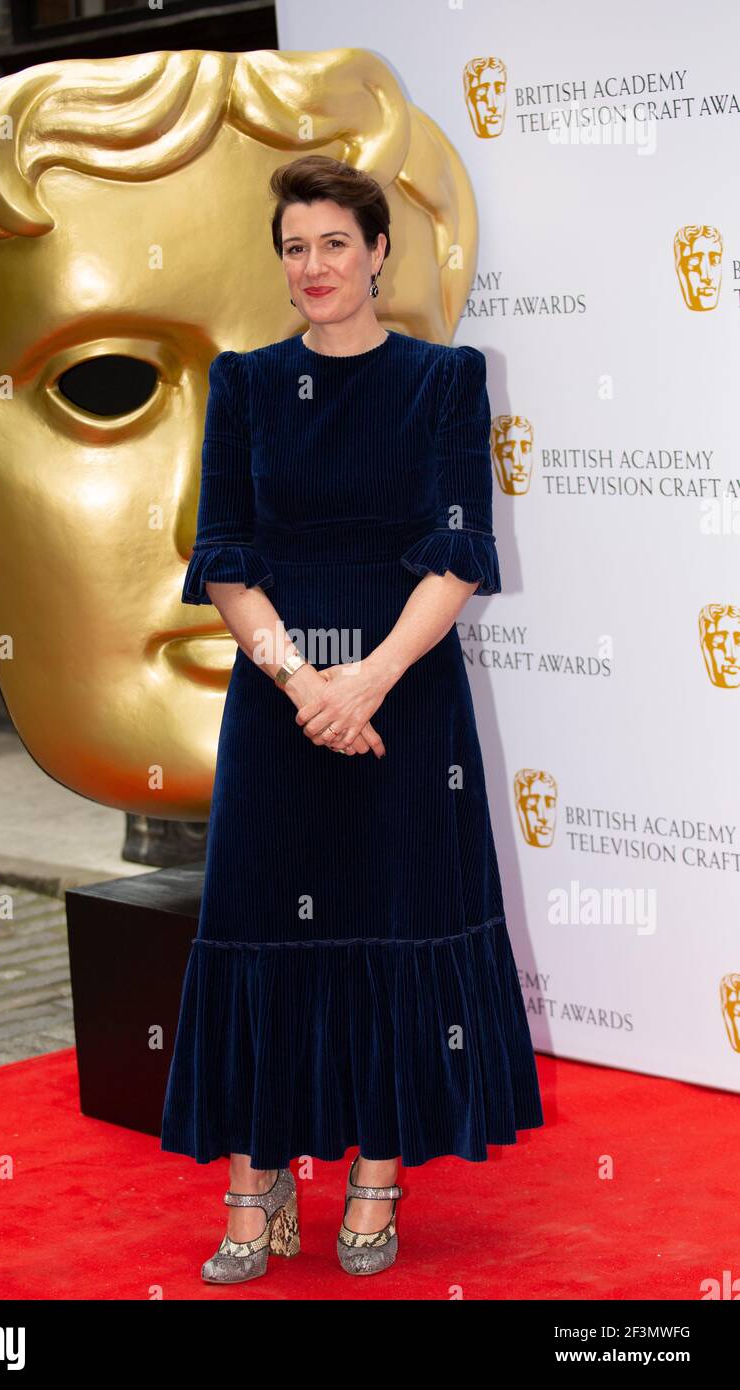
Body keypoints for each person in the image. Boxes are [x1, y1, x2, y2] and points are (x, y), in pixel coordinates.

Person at [160, 153, 544, 1283]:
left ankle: (376, 1177)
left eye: (334, 242)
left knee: (393, 920)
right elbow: (223, 558)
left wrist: (364, 681)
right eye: (293, 247)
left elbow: (457, 552)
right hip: (280, 694)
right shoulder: (240, 385)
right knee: (258, 930)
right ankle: (255, 1178)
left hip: (405, 693)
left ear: (378, 253)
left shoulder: (443, 380)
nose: (313, 265)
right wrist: (302, 685)